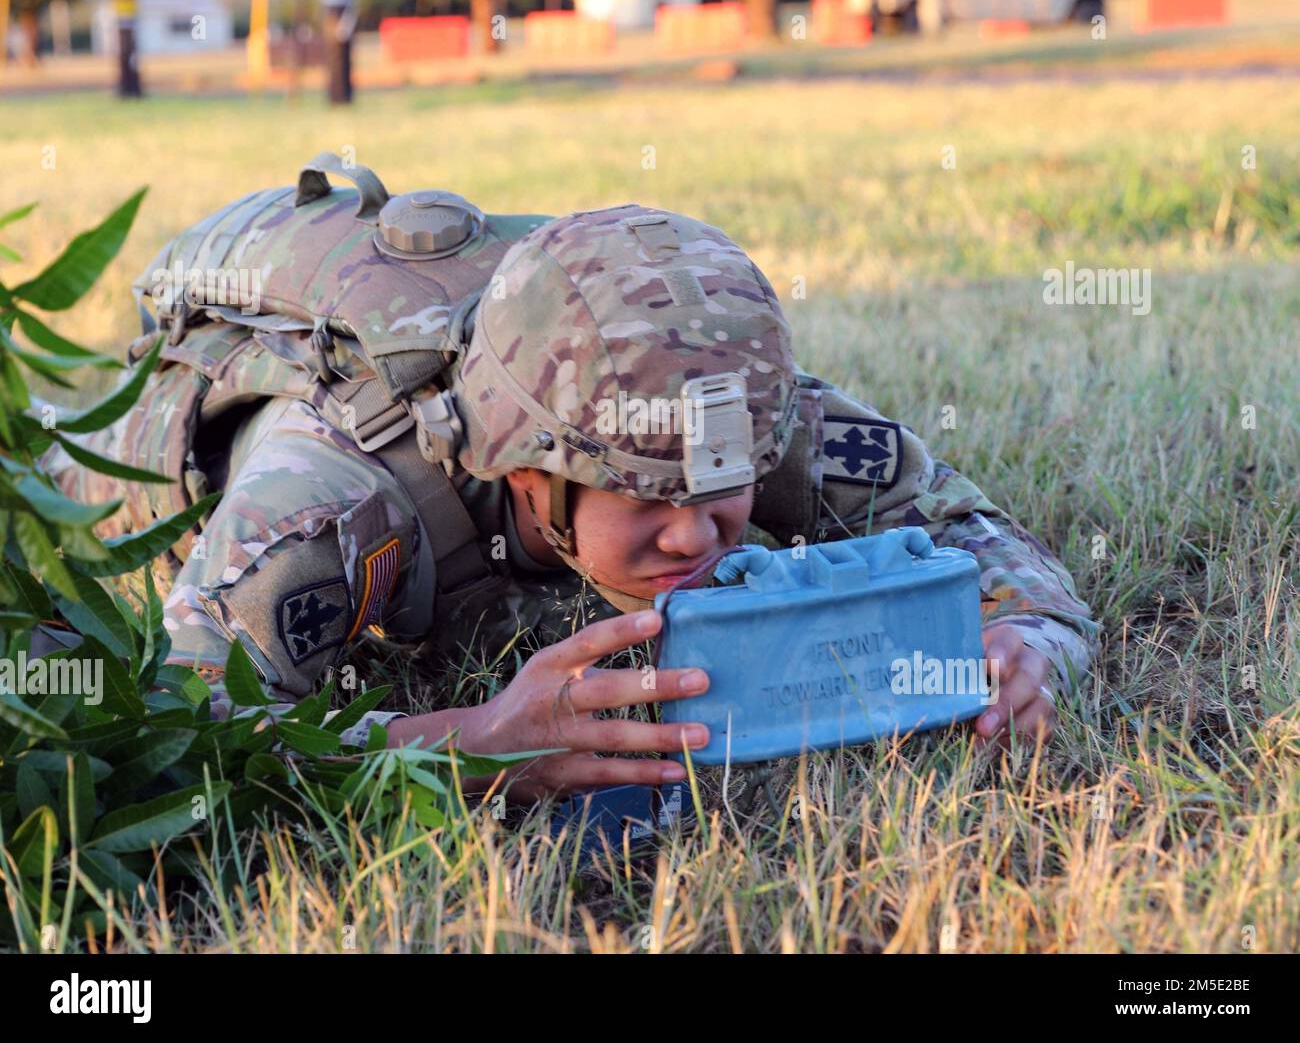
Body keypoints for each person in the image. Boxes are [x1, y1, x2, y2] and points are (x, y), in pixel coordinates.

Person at [52, 198, 1101, 802]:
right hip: (135, 449)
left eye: (716, 488)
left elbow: (978, 536)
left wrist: (1028, 642)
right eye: (641, 496)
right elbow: (180, 732)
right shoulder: (326, 501)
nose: (693, 528)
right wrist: (476, 740)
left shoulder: (711, 404)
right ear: (524, 471)